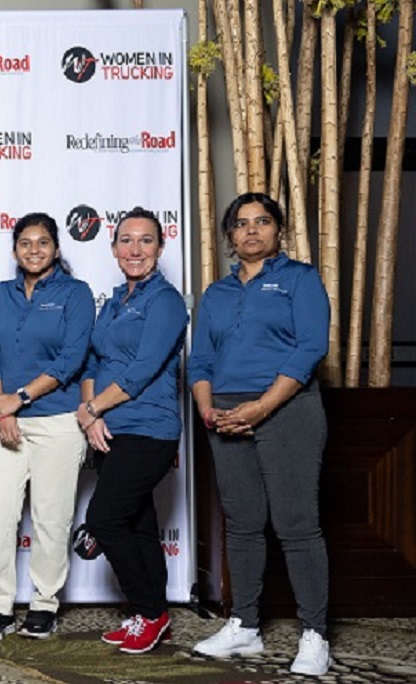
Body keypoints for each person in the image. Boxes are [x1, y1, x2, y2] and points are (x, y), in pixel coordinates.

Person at [189, 193, 331, 676]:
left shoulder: (301, 279)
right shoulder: (217, 294)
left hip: (286, 407)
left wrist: (262, 407)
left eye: (262, 221)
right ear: (230, 235)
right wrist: (209, 411)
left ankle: (315, 634)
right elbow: (202, 359)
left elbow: (311, 346)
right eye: (242, 224)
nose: (251, 231)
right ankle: (244, 625)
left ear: (278, 230)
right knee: (243, 523)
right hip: (226, 413)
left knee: (296, 523)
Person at [0, 213, 95, 641]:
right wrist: (3, 410)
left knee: (51, 516)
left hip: (58, 420)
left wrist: (20, 398)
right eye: (25, 243)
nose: (34, 250)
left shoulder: (76, 294)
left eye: (43, 242)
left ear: (57, 249)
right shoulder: (0, 293)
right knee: (0, 512)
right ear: (14, 250)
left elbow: (72, 359)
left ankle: (44, 604)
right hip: (5, 419)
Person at [75, 207, 187, 655]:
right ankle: (151, 615)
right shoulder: (116, 300)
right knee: (139, 526)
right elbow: (93, 362)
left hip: (149, 429)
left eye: (145, 241)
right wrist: (93, 414)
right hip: (109, 430)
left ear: (160, 247)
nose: (134, 249)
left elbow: (142, 370)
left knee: (104, 520)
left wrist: (91, 408)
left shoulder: (165, 301)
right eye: (126, 240)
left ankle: (151, 612)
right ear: (114, 247)